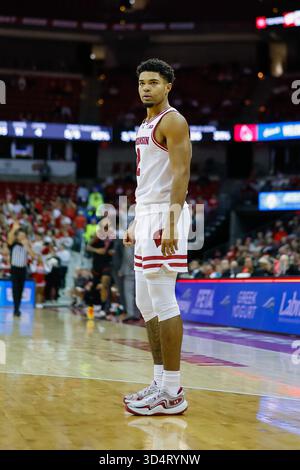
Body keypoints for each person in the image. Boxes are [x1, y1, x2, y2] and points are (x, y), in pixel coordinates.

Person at [122, 58, 191, 416]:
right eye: (142, 83)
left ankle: (173, 390)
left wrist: (172, 221)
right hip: (147, 214)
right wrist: (136, 219)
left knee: (164, 301)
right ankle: (159, 381)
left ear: (168, 86)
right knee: (145, 304)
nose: (146, 88)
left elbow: (181, 174)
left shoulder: (173, 121)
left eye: (153, 82)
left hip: (166, 215)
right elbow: (148, 180)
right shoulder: (145, 123)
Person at [7, 222, 35, 317]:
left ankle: (17, 307)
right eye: (21, 235)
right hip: (14, 269)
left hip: (23, 269)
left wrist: (26, 246)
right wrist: (14, 228)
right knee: (15, 289)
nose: (23, 237)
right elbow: (9, 238)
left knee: (20, 289)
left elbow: (33, 256)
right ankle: (16, 309)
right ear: (17, 236)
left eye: (24, 235)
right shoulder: (13, 244)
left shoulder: (27, 245)